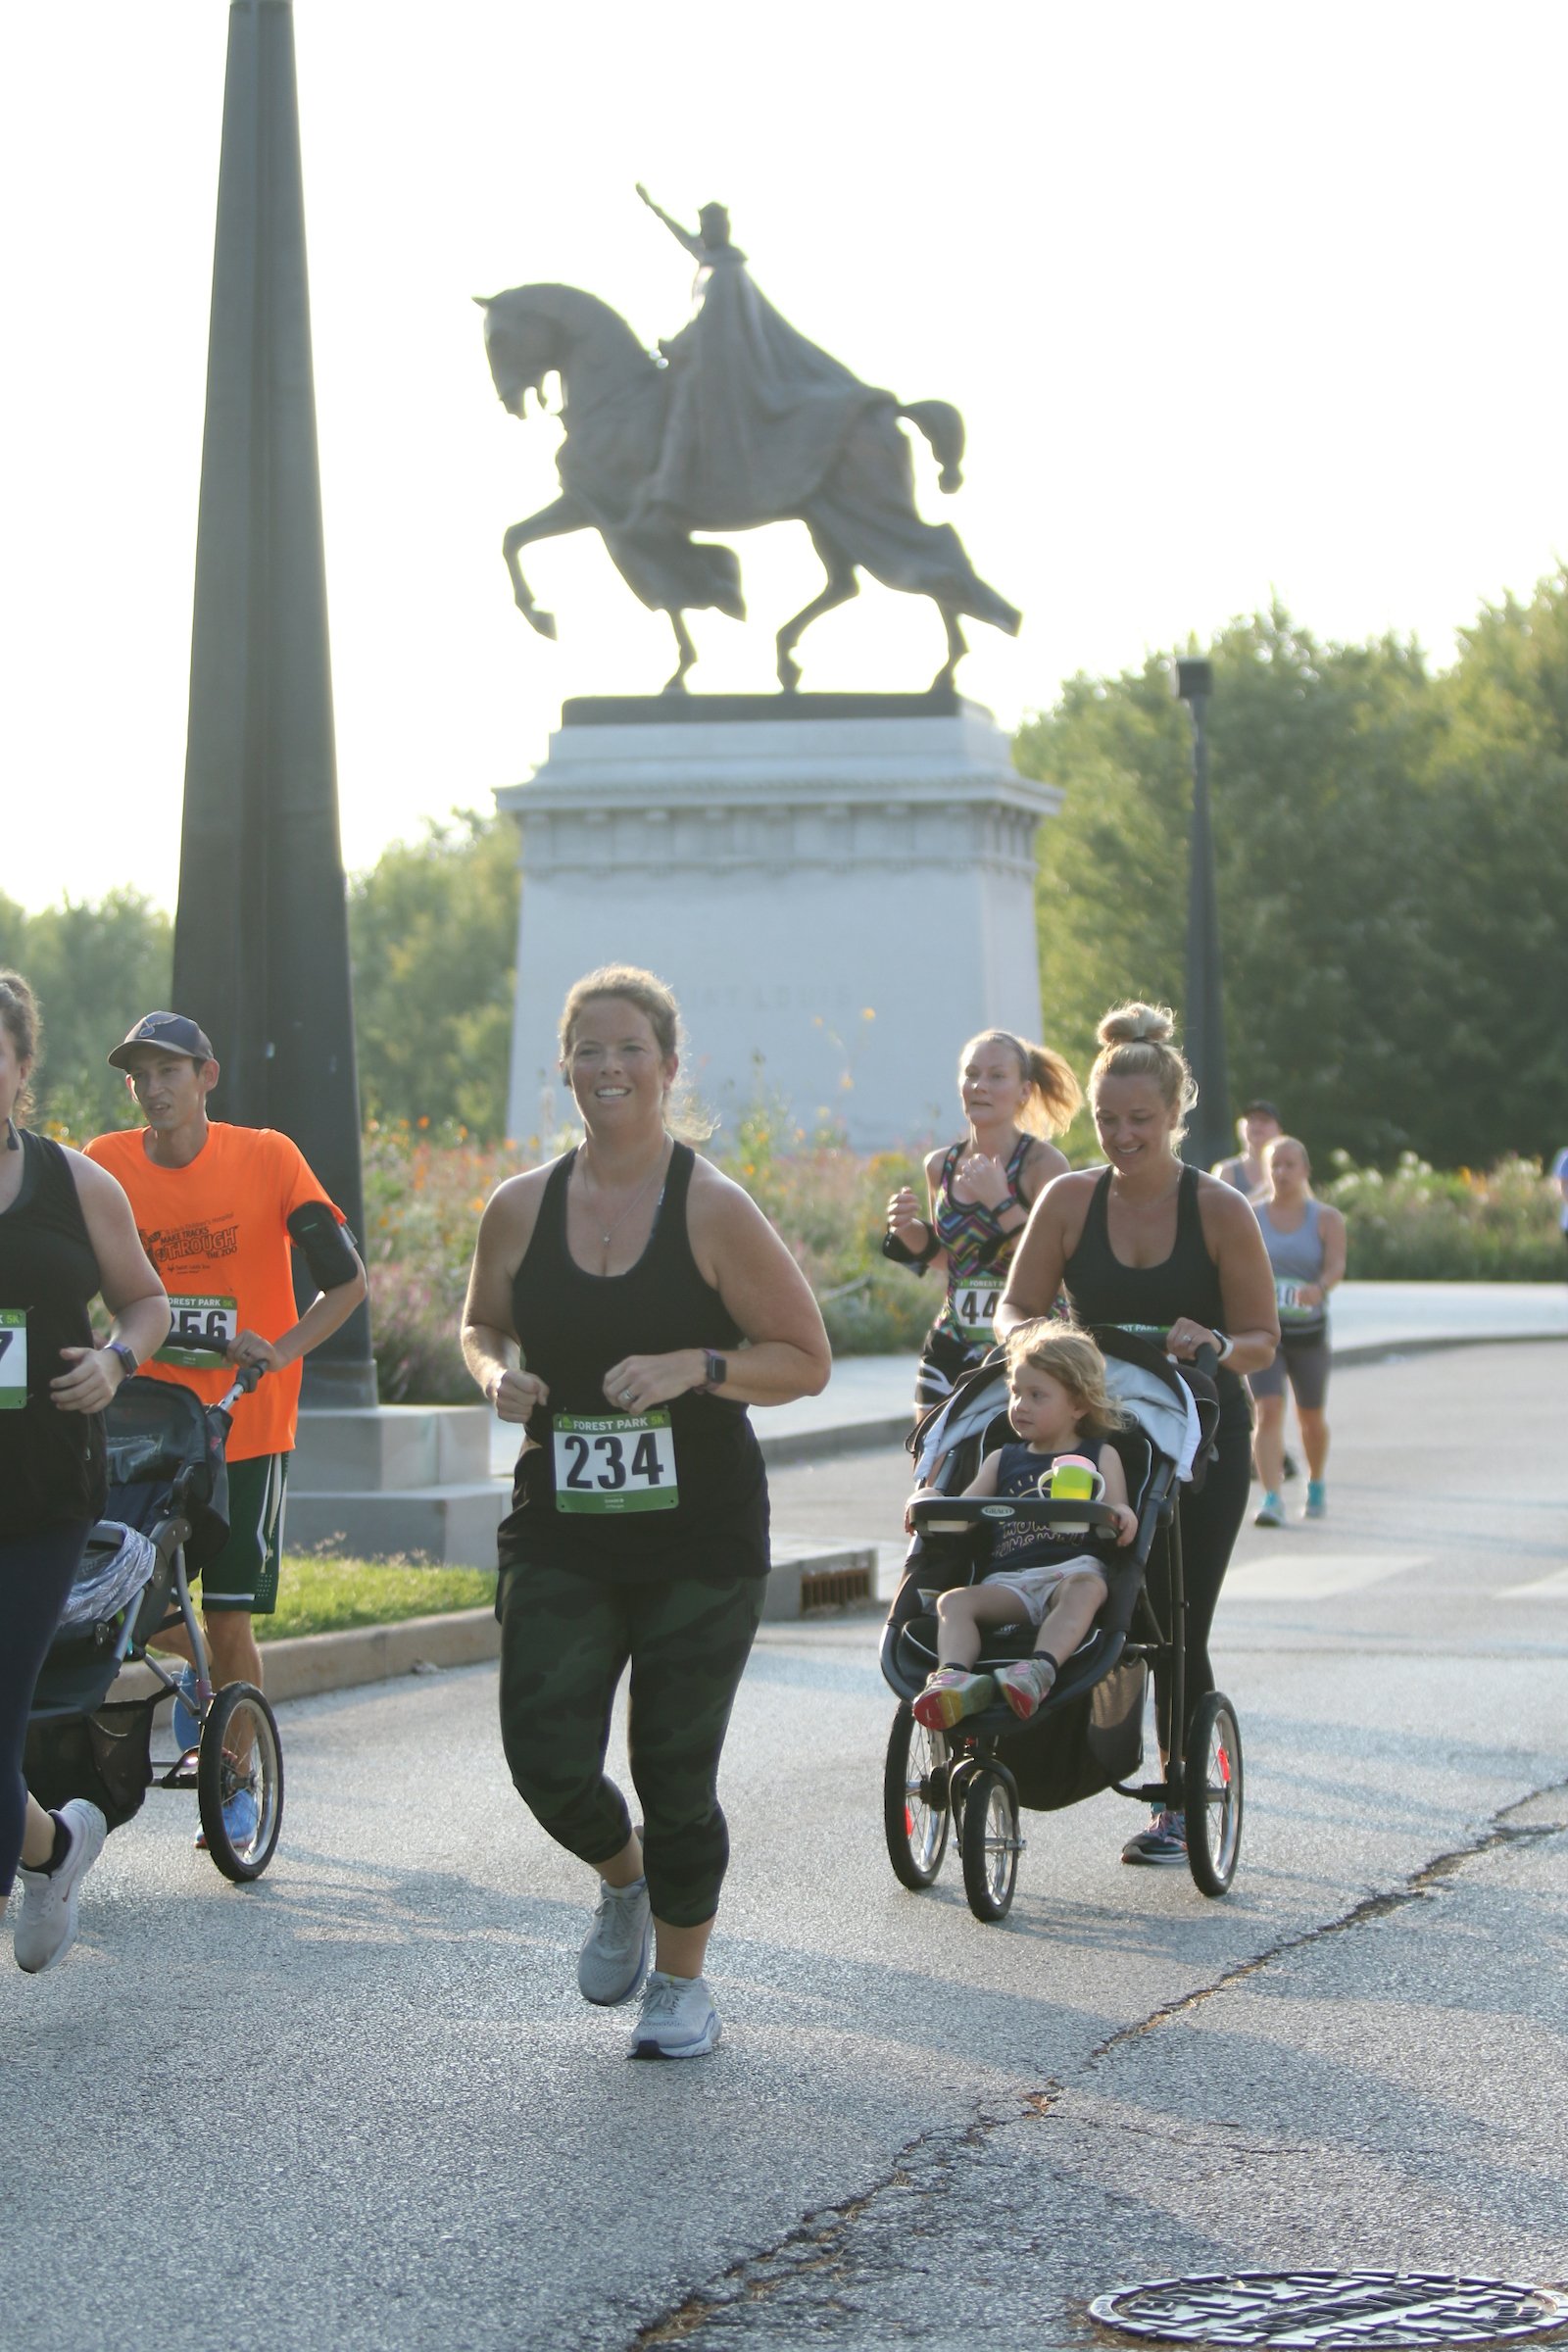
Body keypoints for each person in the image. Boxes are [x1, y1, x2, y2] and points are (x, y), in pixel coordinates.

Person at [462, 965, 831, 2060]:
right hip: (564, 1520)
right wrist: (494, 1379)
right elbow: (480, 1327)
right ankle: (622, 1881)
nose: (608, 1069)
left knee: (675, 1770)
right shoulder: (519, 1206)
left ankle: (681, 1983)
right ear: (565, 1067)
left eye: (630, 1051)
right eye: (588, 1050)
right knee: (544, 1757)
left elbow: (803, 1360)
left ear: (670, 1069)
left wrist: (696, 1365)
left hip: (698, 1534)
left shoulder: (712, 1207)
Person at [997, 1003, 1278, 1866]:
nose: (1122, 1137)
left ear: (1175, 1117)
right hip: (1096, 1437)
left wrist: (1218, 1346)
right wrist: (1033, 1346)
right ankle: (1027, 1743)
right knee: (1089, 1591)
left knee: (1174, 1617)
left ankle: (1180, 1793)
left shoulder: (1221, 1209)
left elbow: (1263, 1336)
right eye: (1108, 1121)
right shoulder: (1069, 1199)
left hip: (1204, 1439)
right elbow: (1016, 1305)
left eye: (1141, 1122)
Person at [84, 1011, 367, 1839]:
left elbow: (345, 1282)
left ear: (207, 1077)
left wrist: (278, 1351)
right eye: (139, 1073)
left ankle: (234, 1772)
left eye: (170, 1070)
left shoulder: (268, 1157)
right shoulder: (106, 1165)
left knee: (231, 1617)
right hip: (144, 1426)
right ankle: (207, 1686)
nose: (153, 1087)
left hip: (246, 1421)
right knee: (122, 1597)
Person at [1, 973, 170, 1972]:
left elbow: (144, 1300)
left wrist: (116, 1362)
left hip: (39, 1495)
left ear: (21, 1068)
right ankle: (55, 1846)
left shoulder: (77, 1187)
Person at [908, 1323, 1138, 1732]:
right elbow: (963, 1513)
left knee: (1089, 1590)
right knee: (953, 1603)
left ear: (1079, 1405)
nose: (1020, 1405)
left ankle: (1038, 1670)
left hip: (1071, 1571)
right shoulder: (1003, 1458)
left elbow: (1117, 1508)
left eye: (1037, 1396)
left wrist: (1124, 1516)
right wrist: (929, 1505)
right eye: (1015, 1393)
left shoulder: (1100, 1455)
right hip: (1010, 1582)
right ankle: (955, 1679)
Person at [885, 1030, 1081, 1415]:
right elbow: (950, 1261)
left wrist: (1001, 1201)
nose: (980, 1086)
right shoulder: (940, 1166)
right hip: (954, 1339)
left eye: (996, 1076)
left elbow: (1057, 1265)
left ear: (1024, 1091)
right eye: (971, 1074)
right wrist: (909, 1232)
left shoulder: (1044, 1165)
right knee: (930, 1461)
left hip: (1031, 1344)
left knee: (1017, 1465)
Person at [1250, 1137, 1347, 1527]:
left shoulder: (1325, 1218)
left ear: (1305, 1171)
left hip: (1309, 1332)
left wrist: (1318, 1289)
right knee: (1268, 1410)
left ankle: (1317, 1480)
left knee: (1310, 1417)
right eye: (1275, 1165)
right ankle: (1272, 1496)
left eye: (1290, 1165)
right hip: (1266, 1332)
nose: (1282, 1173)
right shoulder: (1251, 1215)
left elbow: (1336, 1266)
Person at [1212, 1101, 1282, 1199]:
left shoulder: (1288, 1169)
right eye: (1251, 1119)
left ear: (1279, 1131)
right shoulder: (1226, 1171)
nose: (1257, 1125)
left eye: (1265, 1120)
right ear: (1240, 1128)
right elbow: (1217, 1209)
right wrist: (1264, 1189)